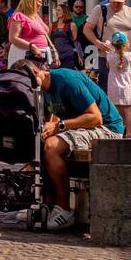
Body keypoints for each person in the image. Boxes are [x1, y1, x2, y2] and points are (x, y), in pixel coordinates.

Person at [14, 53, 124, 231]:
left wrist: (59, 127)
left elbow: (96, 118)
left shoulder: (66, 80)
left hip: (107, 129)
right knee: (34, 145)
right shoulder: (43, 90)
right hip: (83, 128)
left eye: (28, 83)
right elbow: (52, 116)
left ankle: (64, 209)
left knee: (51, 148)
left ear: (36, 72)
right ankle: (44, 202)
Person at [84, 0, 131, 93]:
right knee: (106, 89)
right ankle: (107, 109)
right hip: (106, 57)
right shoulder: (100, 10)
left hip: (127, 58)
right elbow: (87, 29)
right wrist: (98, 43)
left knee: (127, 91)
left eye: (119, 1)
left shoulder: (129, 12)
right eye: (113, 0)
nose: (116, 4)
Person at [8, 0, 52, 67]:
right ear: (30, 2)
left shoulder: (36, 17)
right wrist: (31, 47)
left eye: (41, 2)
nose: (41, 4)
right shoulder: (19, 16)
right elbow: (13, 38)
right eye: (38, 1)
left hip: (40, 55)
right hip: (27, 55)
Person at [105, 29, 131, 135]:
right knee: (128, 111)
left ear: (113, 44)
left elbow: (107, 66)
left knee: (116, 111)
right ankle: (129, 133)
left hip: (113, 87)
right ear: (125, 44)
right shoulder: (129, 56)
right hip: (127, 86)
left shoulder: (110, 56)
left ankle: (117, 132)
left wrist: (110, 48)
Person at [50, 3, 82, 71]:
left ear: (64, 11)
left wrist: (79, 56)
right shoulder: (52, 25)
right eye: (56, 10)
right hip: (56, 56)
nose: (56, 12)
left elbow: (76, 42)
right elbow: (49, 41)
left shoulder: (71, 25)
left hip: (68, 55)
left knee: (67, 75)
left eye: (59, 10)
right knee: (56, 76)